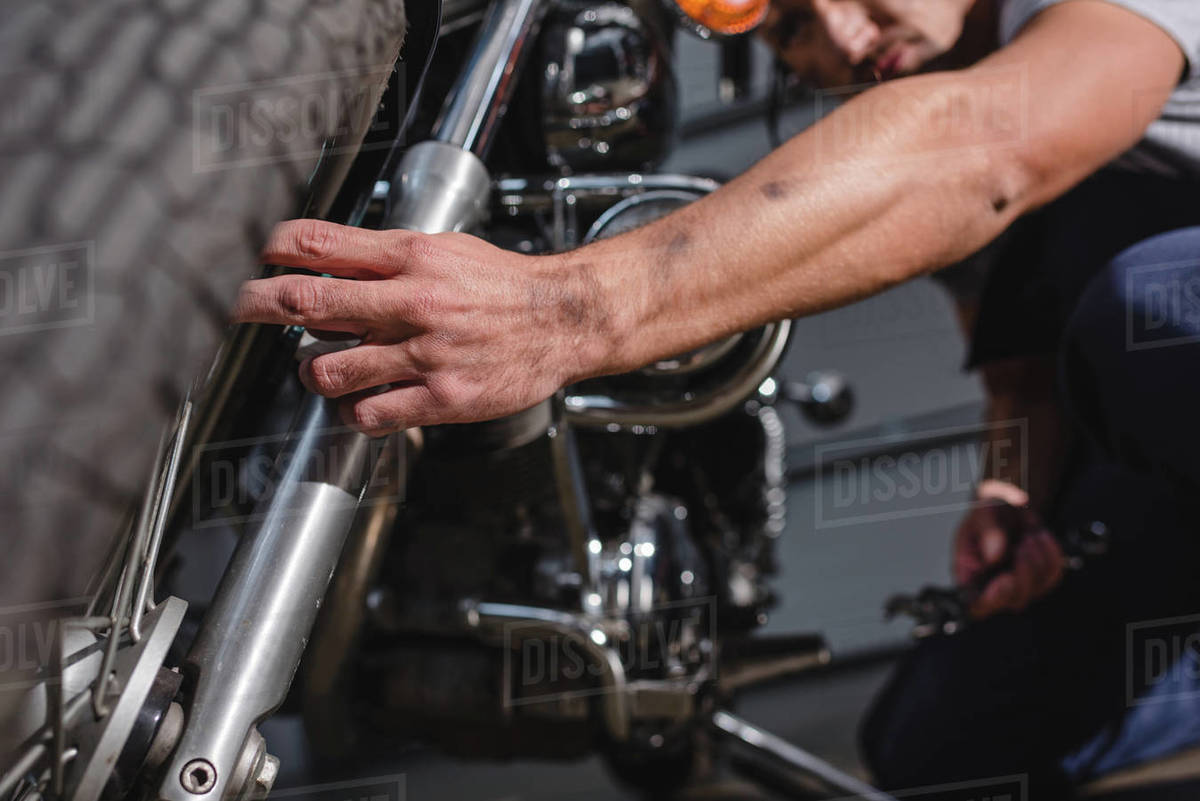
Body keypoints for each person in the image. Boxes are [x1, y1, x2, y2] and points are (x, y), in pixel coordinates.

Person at [231, 0, 1200, 796]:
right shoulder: (938, 98)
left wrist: (563, 310)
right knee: (946, 741)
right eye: (791, 32)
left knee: (1149, 312)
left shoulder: (1070, 41)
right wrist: (1007, 496)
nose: (848, 39)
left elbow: (986, 146)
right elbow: (1020, 373)